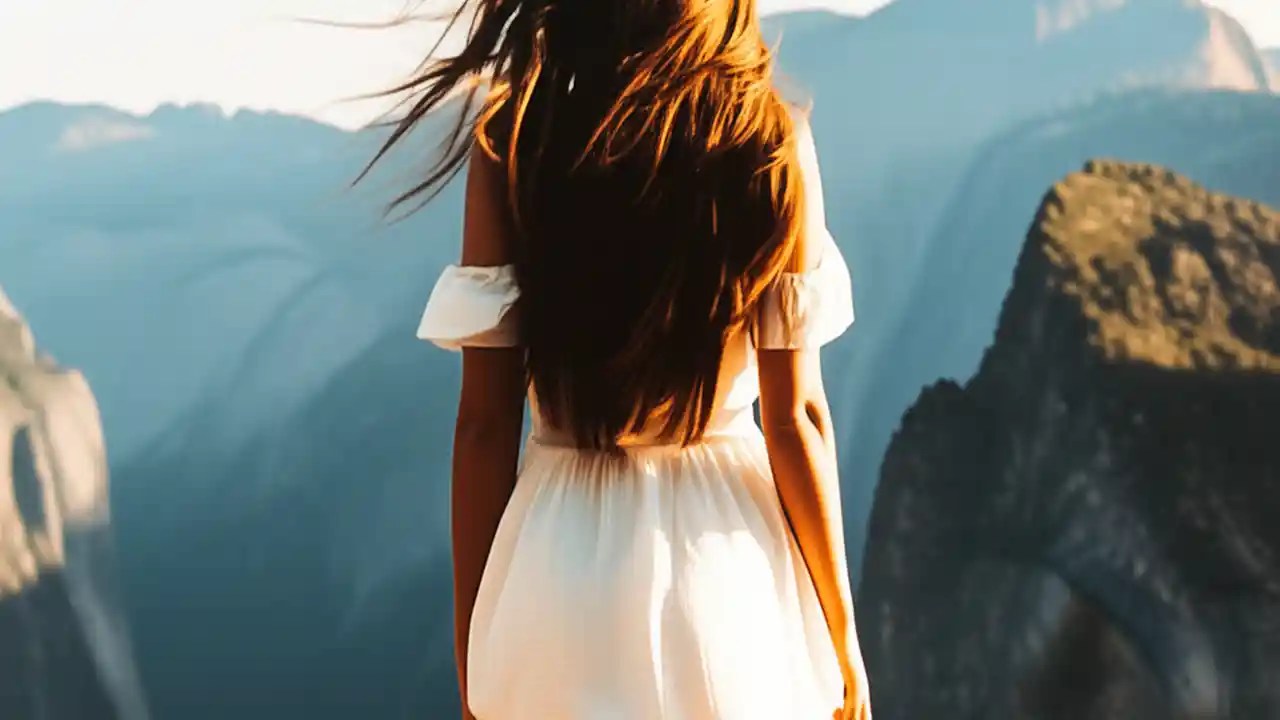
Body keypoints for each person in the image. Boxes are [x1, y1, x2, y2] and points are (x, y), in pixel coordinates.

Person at [357, 0, 871, 717]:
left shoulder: (517, 142)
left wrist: (475, 650)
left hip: (555, 567)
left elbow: (483, 424)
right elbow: (796, 421)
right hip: (727, 570)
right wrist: (841, 641)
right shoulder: (768, 139)